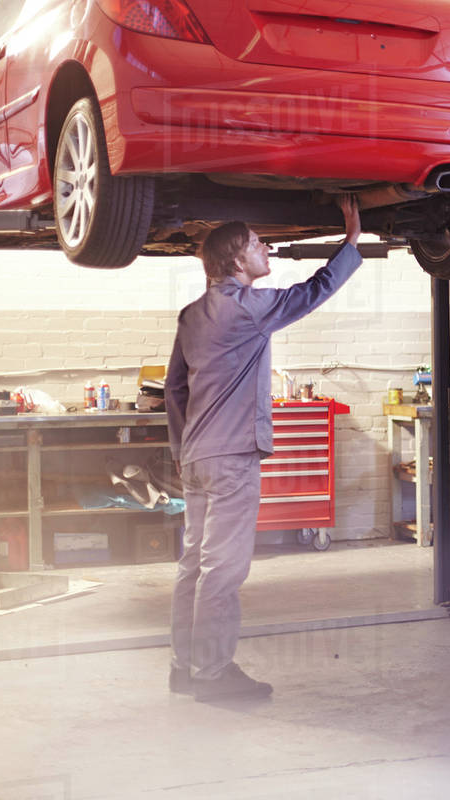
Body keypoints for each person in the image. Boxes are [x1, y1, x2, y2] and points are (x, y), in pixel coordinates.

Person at [166, 195, 363, 701]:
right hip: (231, 459)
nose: (267, 248)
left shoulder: (191, 316)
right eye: (258, 243)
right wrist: (350, 243)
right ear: (236, 260)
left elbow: (174, 390)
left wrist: (183, 446)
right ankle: (212, 675)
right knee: (222, 568)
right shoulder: (248, 309)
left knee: (194, 563)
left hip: (196, 457)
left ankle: (184, 667)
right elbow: (312, 292)